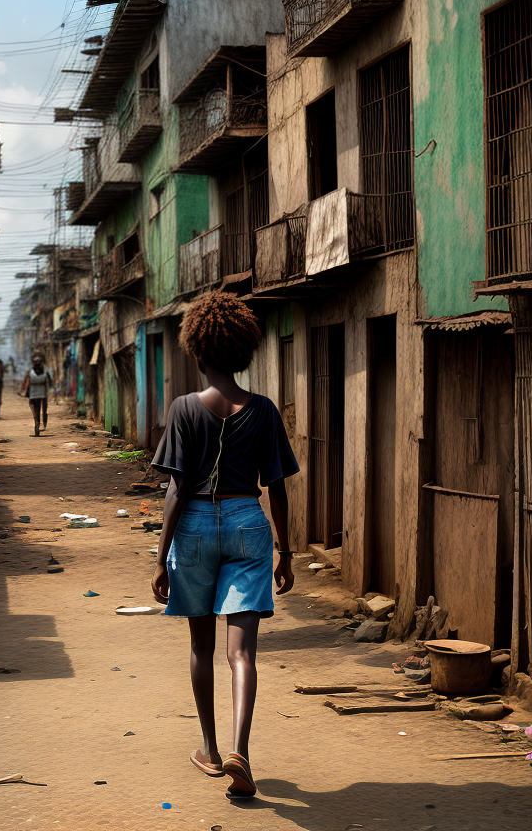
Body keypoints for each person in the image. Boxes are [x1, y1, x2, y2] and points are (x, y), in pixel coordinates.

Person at [151, 291, 299, 799]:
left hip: (193, 525)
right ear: (242, 351)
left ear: (198, 351)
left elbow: (176, 489)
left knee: (201, 645)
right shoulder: (264, 410)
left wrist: (160, 559)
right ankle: (242, 753)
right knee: (242, 653)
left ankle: (211, 752)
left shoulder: (183, 409)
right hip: (247, 523)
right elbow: (277, 488)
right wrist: (286, 552)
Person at [20, 354, 52, 436]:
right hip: (42, 395)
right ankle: (40, 425)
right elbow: (49, 384)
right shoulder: (45, 373)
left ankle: (37, 427)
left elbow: (26, 383)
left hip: (33, 395)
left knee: (35, 412)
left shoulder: (30, 373)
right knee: (41, 411)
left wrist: (24, 392)